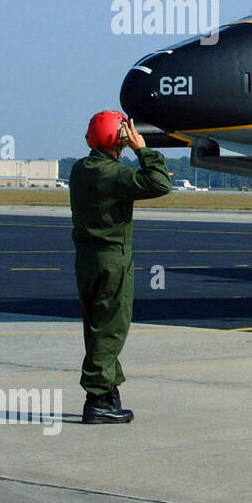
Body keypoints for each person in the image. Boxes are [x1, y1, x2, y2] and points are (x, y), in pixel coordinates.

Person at [69, 111, 173, 424]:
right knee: (111, 329)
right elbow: (159, 183)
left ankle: (109, 392)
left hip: (86, 259)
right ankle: (98, 399)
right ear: (119, 138)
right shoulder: (113, 174)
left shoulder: (80, 170)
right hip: (112, 260)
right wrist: (142, 149)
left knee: (97, 328)